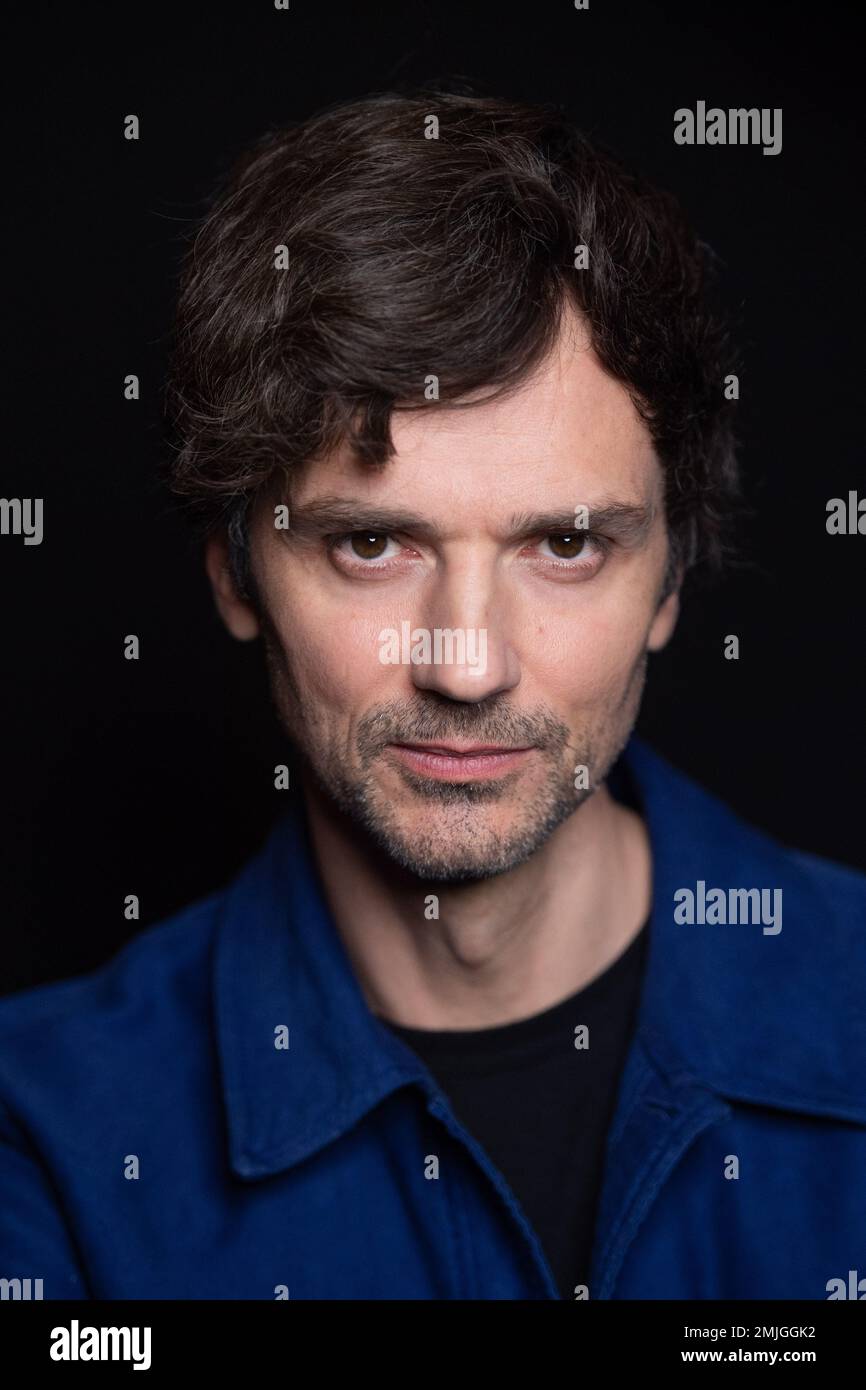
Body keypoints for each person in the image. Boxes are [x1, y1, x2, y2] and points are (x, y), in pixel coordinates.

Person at [1, 90, 863, 1302]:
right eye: (371, 546)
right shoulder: (43, 1141)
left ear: (671, 580)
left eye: (563, 544)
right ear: (237, 575)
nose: (465, 664)